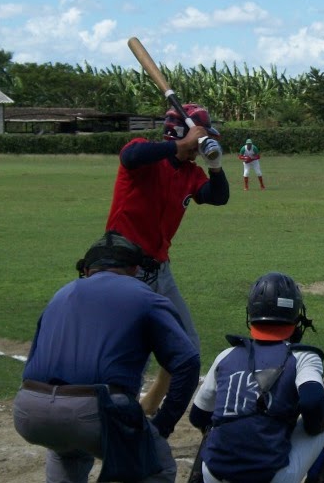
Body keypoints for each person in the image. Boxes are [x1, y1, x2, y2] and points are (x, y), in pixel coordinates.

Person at [13, 231, 201, 483]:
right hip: (92, 412)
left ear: (88, 270)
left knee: (68, 451)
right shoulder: (146, 297)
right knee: (157, 467)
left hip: (30, 411)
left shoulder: (61, 294)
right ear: (135, 269)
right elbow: (187, 362)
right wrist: (163, 424)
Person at [104, 103, 229, 415]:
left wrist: (215, 165)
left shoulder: (190, 174)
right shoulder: (144, 154)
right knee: (129, 352)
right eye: (199, 143)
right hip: (122, 269)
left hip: (160, 270)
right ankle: (114, 415)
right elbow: (130, 156)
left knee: (185, 346)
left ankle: (148, 406)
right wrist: (181, 144)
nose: (198, 150)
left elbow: (219, 196)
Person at [188, 272, 324, 483]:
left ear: (251, 314)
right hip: (270, 477)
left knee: (214, 427)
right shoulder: (302, 356)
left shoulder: (226, 356)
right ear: (296, 315)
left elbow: (197, 417)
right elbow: (313, 402)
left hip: (213, 474)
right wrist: (314, 425)